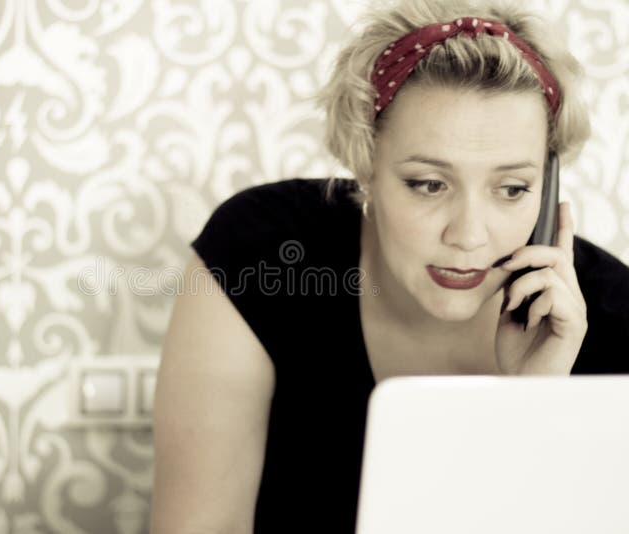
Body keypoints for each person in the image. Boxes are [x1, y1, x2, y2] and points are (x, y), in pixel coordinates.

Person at [150, 0, 629, 532]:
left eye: (512, 189)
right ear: (366, 166)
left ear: (548, 184)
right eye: (429, 184)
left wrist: (528, 407)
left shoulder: (613, 317)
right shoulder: (260, 256)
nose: (469, 236)